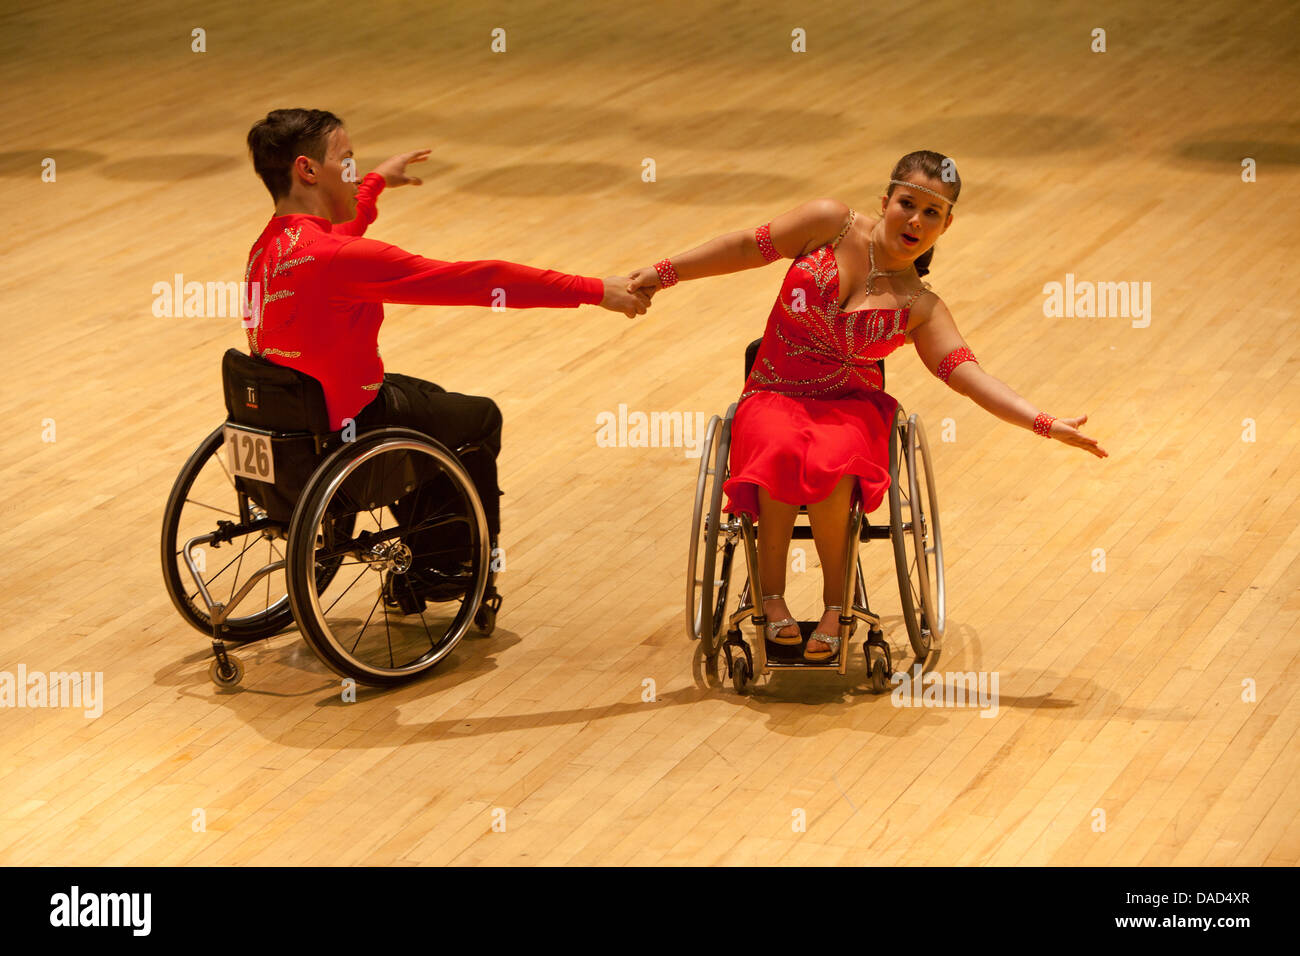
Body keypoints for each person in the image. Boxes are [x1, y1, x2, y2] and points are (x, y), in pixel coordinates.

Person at [626, 150, 1107, 662]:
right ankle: (771, 599)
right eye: (908, 204)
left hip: (849, 408)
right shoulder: (828, 224)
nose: (916, 220)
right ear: (886, 200)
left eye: (932, 213)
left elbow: (971, 377)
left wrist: (1042, 422)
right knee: (780, 448)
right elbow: (747, 246)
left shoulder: (920, 306)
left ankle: (838, 608)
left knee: (835, 464)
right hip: (774, 392)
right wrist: (664, 273)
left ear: (946, 225)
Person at [243, 108, 650, 613]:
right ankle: (442, 571)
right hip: (350, 424)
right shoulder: (338, 259)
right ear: (307, 170)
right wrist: (594, 290)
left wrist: (373, 183)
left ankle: (428, 539)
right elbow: (481, 280)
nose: (353, 169)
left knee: (429, 399)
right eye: (346, 160)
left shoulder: (270, 246)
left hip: (293, 416)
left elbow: (346, 226)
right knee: (476, 418)